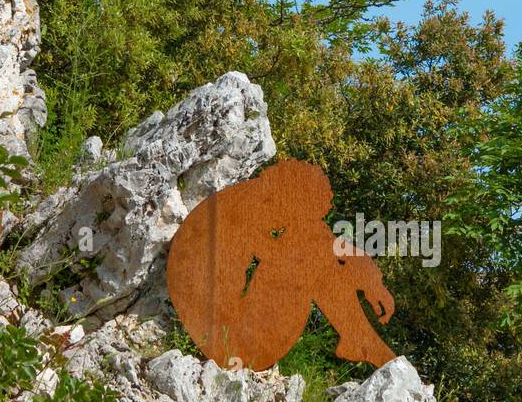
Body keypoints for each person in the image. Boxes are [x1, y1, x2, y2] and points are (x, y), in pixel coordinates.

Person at [167, 159, 397, 371]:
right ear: (289, 198)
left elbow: (320, 245)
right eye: (301, 215)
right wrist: (366, 274)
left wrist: (366, 272)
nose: (288, 224)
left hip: (224, 333)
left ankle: (360, 339)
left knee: (312, 246)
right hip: (226, 343)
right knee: (310, 248)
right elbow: (310, 249)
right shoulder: (240, 210)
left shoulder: (242, 201)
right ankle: (361, 340)